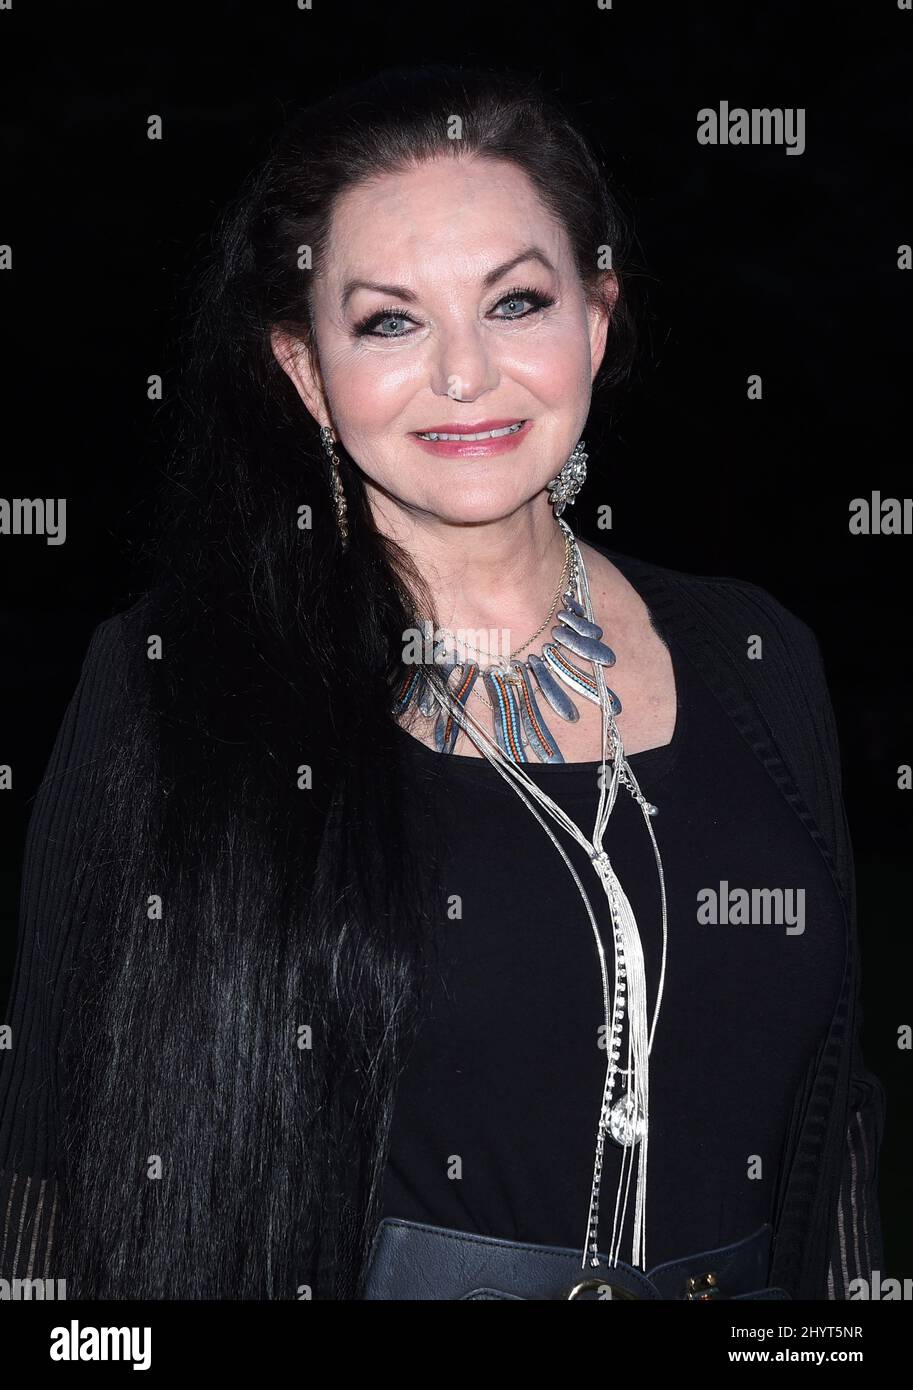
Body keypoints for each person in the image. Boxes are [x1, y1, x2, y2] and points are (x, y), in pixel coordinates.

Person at [0, 64, 885, 1301]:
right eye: (389, 320)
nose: (463, 374)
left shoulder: (759, 653)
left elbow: (834, 1115)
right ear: (306, 371)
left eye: (515, 302)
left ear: (595, 316)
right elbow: (47, 1164)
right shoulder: (172, 682)